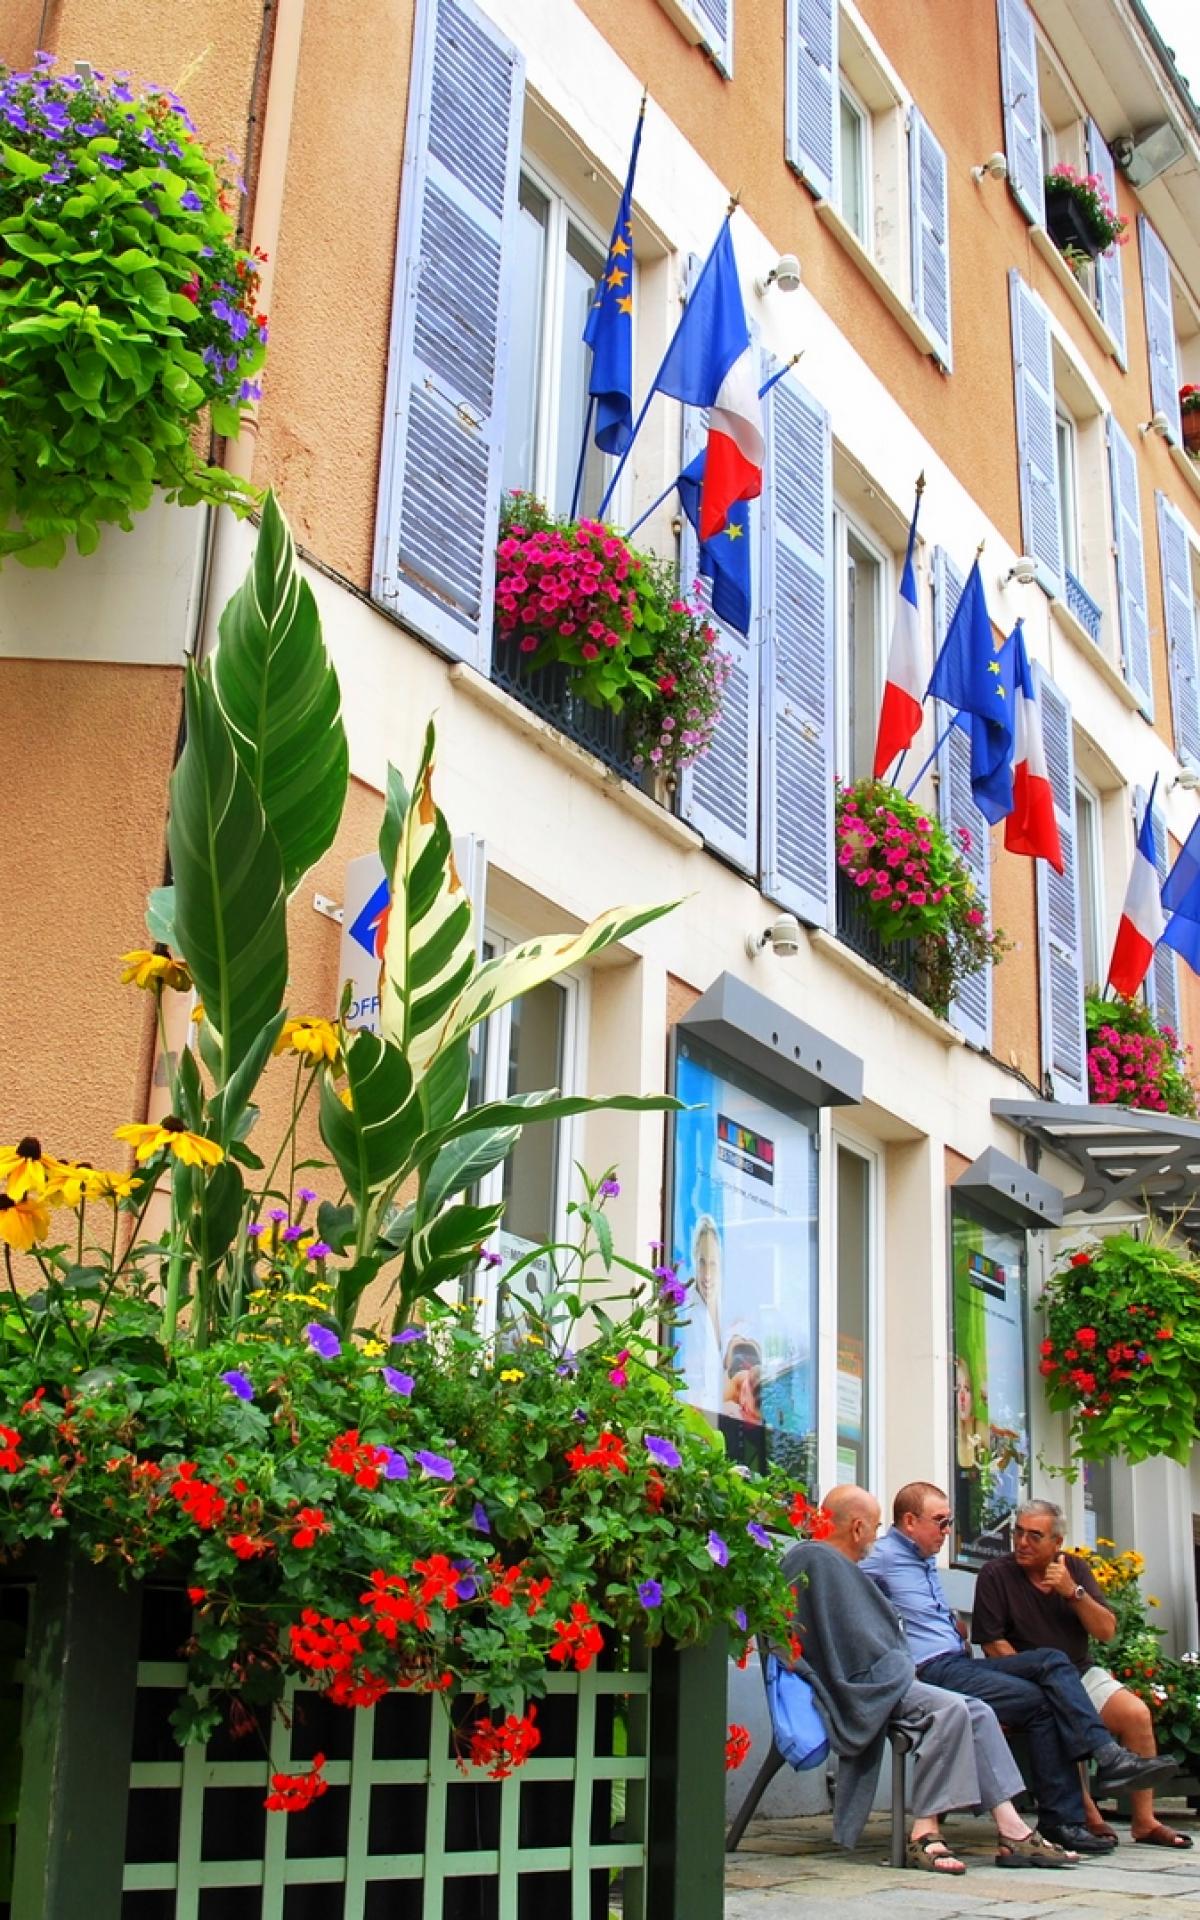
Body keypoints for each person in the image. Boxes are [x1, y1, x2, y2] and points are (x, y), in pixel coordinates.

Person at [861, 1480, 1177, 1857]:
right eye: (941, 1522)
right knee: (1051, 1662)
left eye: (949, 1522)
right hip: (931, 1671)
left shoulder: (923, 1558)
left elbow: (1107, 1631)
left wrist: (950, 1627)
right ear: (910, 1522)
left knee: (1043, 1703)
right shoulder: (882, 1556)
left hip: (960, 1663)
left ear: (1056, 1543)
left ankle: (1062, 1821)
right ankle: (1105, 1756)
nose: (948, 1531)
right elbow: (834, 1581)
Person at [784, 1486, 1075, 1872]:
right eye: (874, 1527)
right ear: (856, 1529)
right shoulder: (816, 1560)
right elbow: (843, 1645)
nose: (877, 1536)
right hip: (867, 1686)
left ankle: (1013, 1830)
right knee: (952, 1707)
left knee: (979, 1711)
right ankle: (924, 1833)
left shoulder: (843, 1569)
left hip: (887, 1678)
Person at [973, 1499, 1191, 1851]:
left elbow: (1106, 1631)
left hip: (1080, 1671)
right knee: (1058, 1711)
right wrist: (1032, 1680)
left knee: (1137, 1715)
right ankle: (1088, 1816)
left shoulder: (1074, 1568)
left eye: (1034, 1535)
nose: (1022, 1542)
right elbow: (992, 1644)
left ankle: (1145, 1821)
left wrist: (1073, 1593)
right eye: (1018, 1532)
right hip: (1026, 1679)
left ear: (1056, 1543)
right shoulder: (996, 1574)